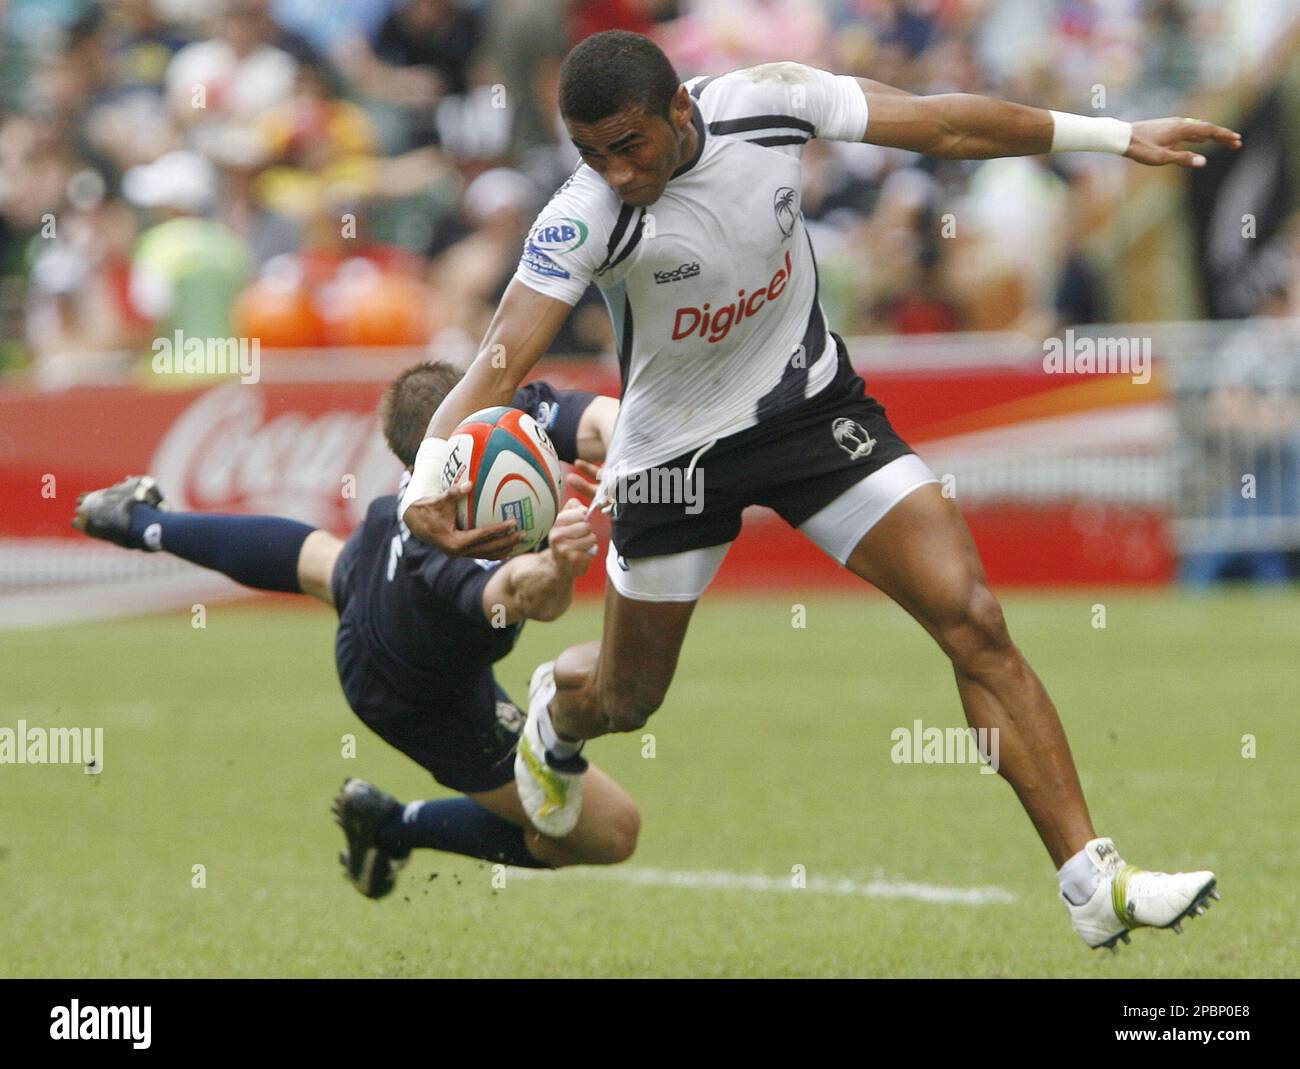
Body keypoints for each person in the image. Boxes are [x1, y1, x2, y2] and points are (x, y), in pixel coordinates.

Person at [399, 31, 1236, 949]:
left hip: (811, 415)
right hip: (675, 461)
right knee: (629, 699)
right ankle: (559, 717)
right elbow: (501, 356)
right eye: (590, 152)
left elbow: (946, 126)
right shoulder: (585, 213)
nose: (614, 171)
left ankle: (1091, 881)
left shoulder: (771, 100)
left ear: (682, 108)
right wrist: (422, 487)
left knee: (973, 616)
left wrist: (1112, 137)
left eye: (628, 145)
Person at [73, 361, 637, 899]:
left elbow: (602, 421)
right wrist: (560, 564)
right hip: (409, 686)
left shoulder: (498, 415)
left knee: (319, 562)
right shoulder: (436, 537)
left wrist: (622, 456)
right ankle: (392, 827)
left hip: (372, 565)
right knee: (605, 832)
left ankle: (140, 522)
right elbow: (518, 596)